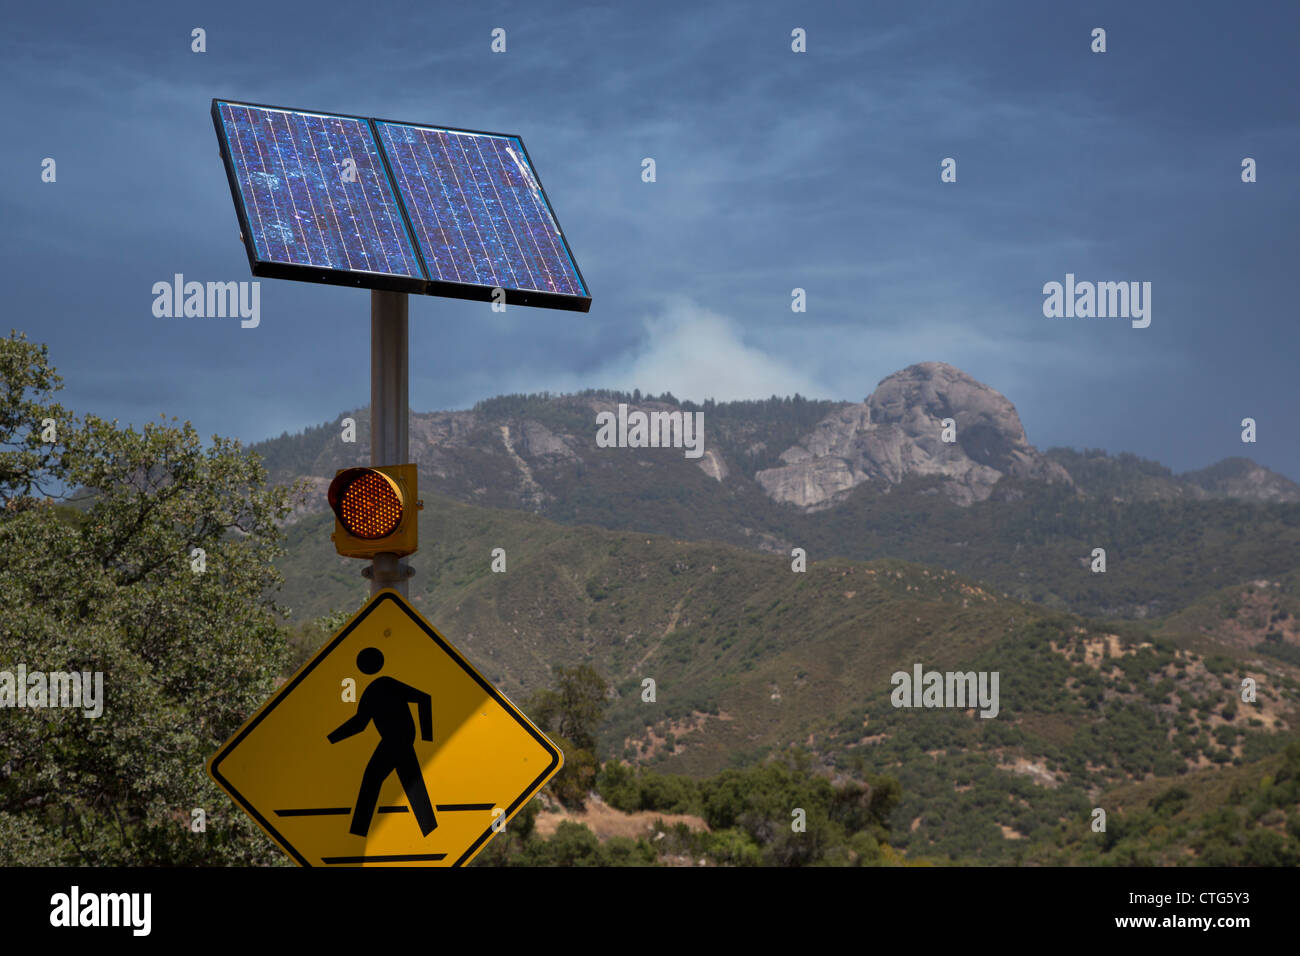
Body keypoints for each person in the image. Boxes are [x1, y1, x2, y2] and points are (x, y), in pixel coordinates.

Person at [327, 647, 437, 837]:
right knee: (411, 782)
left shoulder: (383, 685)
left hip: (396, 740)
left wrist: (427, 737)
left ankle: (358, 832)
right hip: (398, 740)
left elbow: (424, 698)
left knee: (372, 778)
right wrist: (331, 739)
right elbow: (360, 724)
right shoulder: (375, 689)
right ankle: (430, 830)